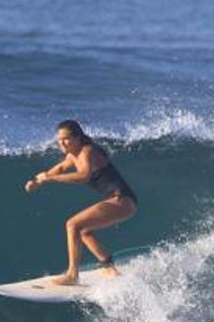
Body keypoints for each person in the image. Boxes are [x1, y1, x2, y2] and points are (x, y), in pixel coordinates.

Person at [24, 119, 138, 285]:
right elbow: (61, 168)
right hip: (118, 200)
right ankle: (108, 266)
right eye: (59, 139)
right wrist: (37, 180)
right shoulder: (73, 154)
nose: (61, 143)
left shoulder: (88, 151)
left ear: (77, 138)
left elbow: (84, 175)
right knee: (83, 231)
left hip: (122, 200)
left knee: (72, 224)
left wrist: (49, 178)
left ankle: (72, 275)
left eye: (66, 138)